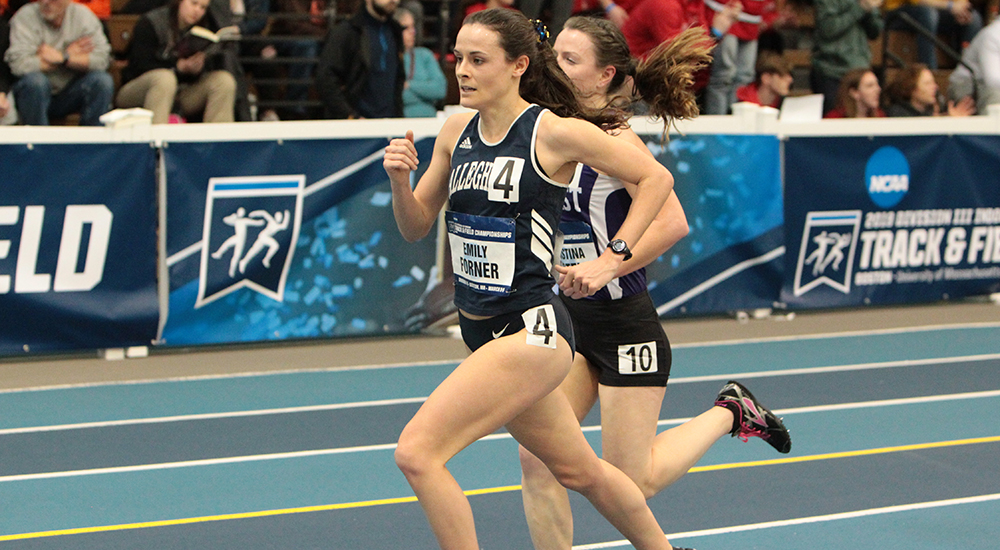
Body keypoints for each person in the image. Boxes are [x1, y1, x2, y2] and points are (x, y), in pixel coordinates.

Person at [383, 8, 687, 550]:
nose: (463, 72)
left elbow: (655, 178)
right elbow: (415, 227)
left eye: (479, 60)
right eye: (458, 59)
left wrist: (613, 258)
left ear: (519, 65)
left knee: (417, 453)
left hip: (533, 331)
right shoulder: (456, 129)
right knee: (579, 472)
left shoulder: (553, 133)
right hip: (483, 330)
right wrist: (399, 183)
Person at [519, 16, 792, 550]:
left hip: (624, 325)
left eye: (571, 61)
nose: (557, 68)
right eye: (557, 57)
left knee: (632, 481)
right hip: (571, 321)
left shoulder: (617, 138)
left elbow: (673, 222)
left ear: (605, 77)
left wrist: (606, 263)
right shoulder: (552, 127)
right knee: (539, 458)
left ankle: (731, 411)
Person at [115, 0, 238, 124]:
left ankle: (216, 141)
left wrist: (197, 67)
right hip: (140, 88)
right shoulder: (153, 22)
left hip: (181, 92)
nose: (197, 11)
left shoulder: (204, 27)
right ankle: (158, 139)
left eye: (203, 7)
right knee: (165, 79)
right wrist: (177, 66)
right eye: (193, 4)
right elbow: (139, 65)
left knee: (224, 81)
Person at [4, 0, 113, 125]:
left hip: (70, 92)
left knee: (102, 81)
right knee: (35, 83)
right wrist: (66, 58)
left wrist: (63, 58)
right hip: (32, 95)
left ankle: (92, 141)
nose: (46, 2)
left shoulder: (83, 16)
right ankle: (37, 141)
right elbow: (18, 65)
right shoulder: (25, 17)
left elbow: (102, 61)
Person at [316, 0, 404, 119]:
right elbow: (326, 78)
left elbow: (398, 79)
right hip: (356, 127)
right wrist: (349, 115)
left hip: (390, 123)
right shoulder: (347, 32)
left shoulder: (395, 31)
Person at [704, 0, 783, 114]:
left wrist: (767, 14)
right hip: (726, 9)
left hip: (753, 16)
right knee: (723, 75)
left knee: (744, 77)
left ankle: (737, 124)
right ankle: (717, 124)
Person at [810, 0, 884, 115]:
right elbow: (828, 29)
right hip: (832, 70)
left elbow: (875, 31)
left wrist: (870, 11)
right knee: (834, 120)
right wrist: (861, 8)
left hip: (859, 68)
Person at [883, 0, 982, 70]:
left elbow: (961, 3)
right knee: (928, 13)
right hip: (899, 12)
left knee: (974, 18)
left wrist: (961, 9)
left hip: (937, 11)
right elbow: (918, 1)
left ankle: (966, 73)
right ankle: (930, 71)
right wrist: (951, 5)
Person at [395, 4, 446, 117]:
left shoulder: (425, 55)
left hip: (429, 121)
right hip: (399, 123)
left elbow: (440, 89)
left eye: (413, 27)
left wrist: (409, 86)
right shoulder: (388, 58)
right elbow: (392, 97)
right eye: (406, 28)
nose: (413, 32)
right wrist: (425, 93)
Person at [948, 17, 1000, 114]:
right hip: (967, 85)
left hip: (987, 84)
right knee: (997, 97)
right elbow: (992, 80)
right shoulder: (992, 35)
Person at [884, 62, 974, 115]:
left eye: (933, 82)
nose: (935, 87)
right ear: (911, 88)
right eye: (927, 83)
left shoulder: (937, 110)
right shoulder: (897, 113)